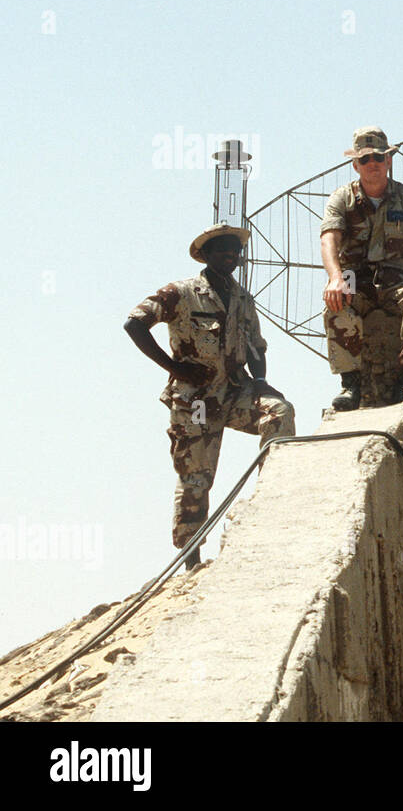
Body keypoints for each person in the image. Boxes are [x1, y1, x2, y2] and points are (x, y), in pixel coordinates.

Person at [125, 225, 295, 568]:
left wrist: (260, 381)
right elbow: (135, 323)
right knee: (196, 476)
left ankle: (271, 501)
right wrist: (174, 367)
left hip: (234, 391)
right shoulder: (182, 292)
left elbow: (256, 347)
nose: (230, 257)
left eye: (235, 252)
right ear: (206, 255)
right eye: (222, 251)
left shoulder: (243, 299)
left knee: (279, 412)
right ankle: (192, 559)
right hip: (198, 401)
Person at [320, 126, 403, 410]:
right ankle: (351, 385)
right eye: (364, 159)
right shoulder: (342, 198)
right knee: (335, 304)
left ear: (388, 160)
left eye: (377, 157)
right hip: (354, 279)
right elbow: (329, 240)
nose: (371, 163)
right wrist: (335, 278)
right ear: (355, 165)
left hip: (396, 279)